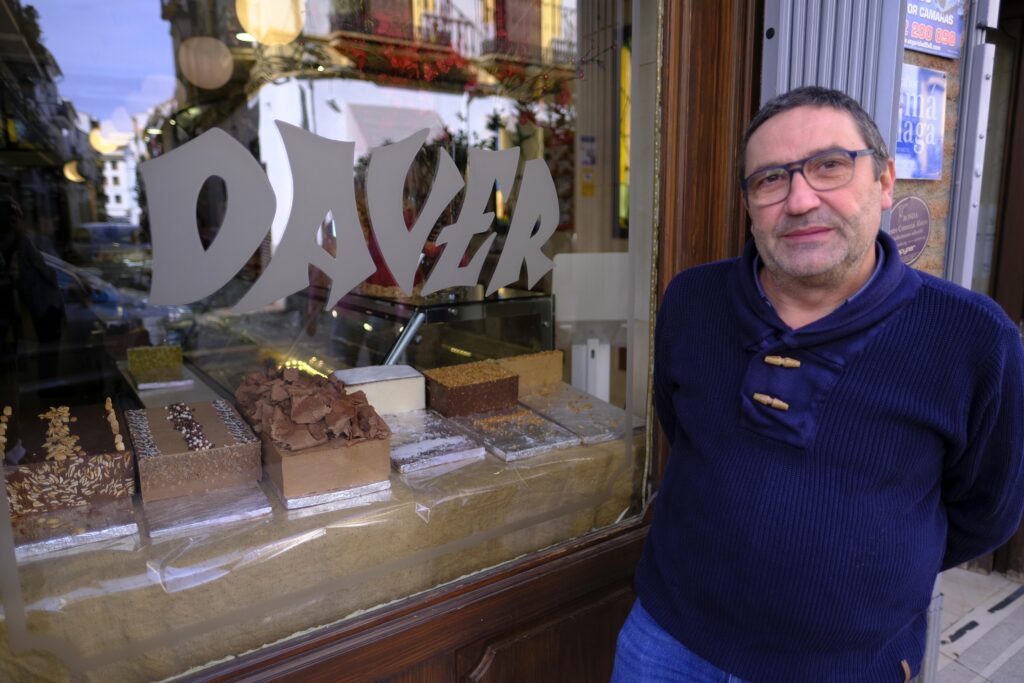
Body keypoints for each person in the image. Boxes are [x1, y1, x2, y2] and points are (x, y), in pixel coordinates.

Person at [612, 86, 1024, 682]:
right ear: (749, 203)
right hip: (667, 644)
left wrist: (874, 577)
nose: (800, 200)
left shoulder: (974, 339)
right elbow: (682, 430)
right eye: (770, 179)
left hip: (846, 667)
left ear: (884, 181)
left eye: (830, 166)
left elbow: (988, 512)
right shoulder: (693, 301)